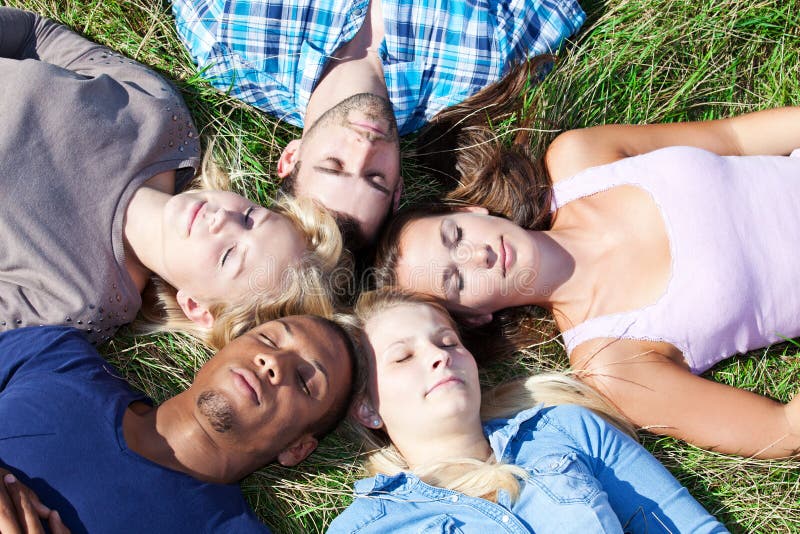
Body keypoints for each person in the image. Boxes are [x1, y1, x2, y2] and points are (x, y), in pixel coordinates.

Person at [372, 106, 800, 458]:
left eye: (455, 235)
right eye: (455, 280)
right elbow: (779, 430)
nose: (477, 256)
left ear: (471, 213)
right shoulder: (611, 362)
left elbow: (733, 138)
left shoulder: (581, 157)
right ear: (477, 316)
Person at [0, 8, 344, 349]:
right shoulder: (163, 121)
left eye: (228, 255)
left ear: (197, 307)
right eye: (250, 217)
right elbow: (35, 35)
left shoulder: (78, 303)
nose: (223, 219)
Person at [171, 0, 586, 246]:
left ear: (291, 157)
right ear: (399, 185)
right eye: (375, 178)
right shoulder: (485, 70)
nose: (364, 147)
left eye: (333, 165)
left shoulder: (224, 38)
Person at [328, 289, 727, 533]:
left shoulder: (567, 429)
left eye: (448, 341)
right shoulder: (369, 527)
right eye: (403, 357)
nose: (438, 356)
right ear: (367, 408)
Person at [0, 314, 356, 533]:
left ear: (296, 449)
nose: (272, 361)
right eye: (268, 339)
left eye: (305, 381)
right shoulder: (58, 357)